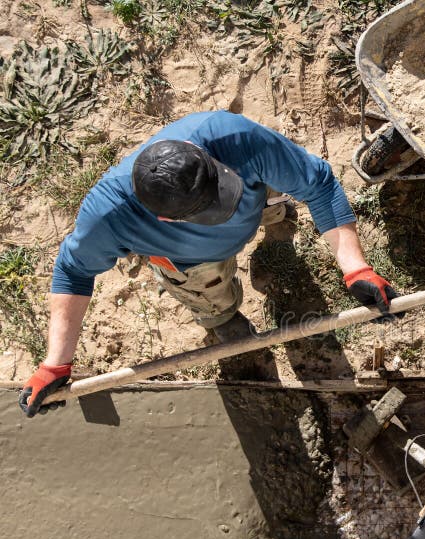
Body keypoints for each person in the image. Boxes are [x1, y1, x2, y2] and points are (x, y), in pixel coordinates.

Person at [19, 110, 399, 417]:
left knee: (271, 192)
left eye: (221, 187)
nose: (227, 205)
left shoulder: (231, 136)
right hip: (194, 260)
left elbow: (318, 185)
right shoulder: (109, 217)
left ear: (196, 152)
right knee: (208, 292)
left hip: (260, 195)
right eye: (212, 208)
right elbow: (73, 271)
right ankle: (222, 317)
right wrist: (56, 363)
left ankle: (274, 217)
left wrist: (356, 268)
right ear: (164, 219)